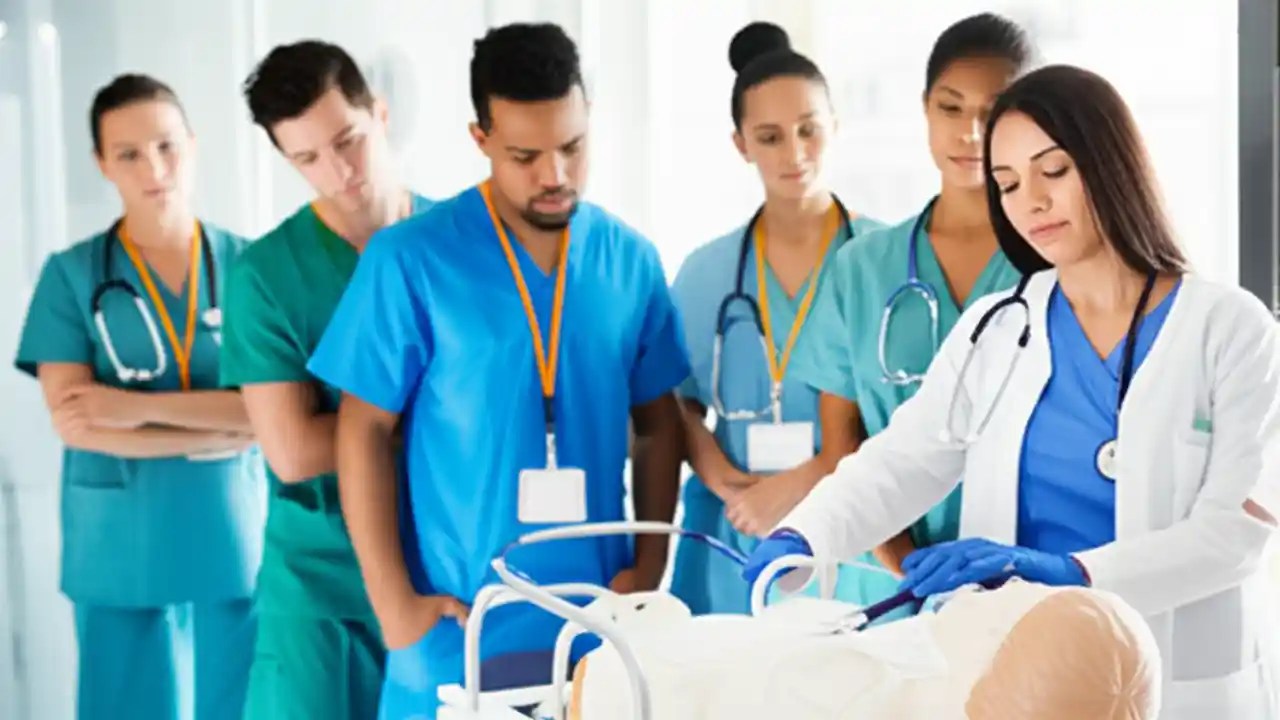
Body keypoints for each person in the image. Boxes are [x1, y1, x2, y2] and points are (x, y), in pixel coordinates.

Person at [747, 64, 1280, 718]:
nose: (1031, 201)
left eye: (1053, 171)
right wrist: (807, 534)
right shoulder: (998, 327)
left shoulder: (1230, 329)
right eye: (1007, 183)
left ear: (1112, 163)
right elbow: (904, 459)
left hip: (1179, 681)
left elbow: (1236, 533)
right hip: (1022, 671)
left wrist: (1069, 571)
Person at [306, 23, 690, 719]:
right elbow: (362, 430)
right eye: (525, 156)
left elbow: (660, 422)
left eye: (572, 146)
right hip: (455, 628)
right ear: (480, 139)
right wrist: (393, 604)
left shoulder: (629, 260)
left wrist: (649, 565)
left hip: (596, 629)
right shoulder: (411, 260)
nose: (556, 175)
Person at [13, 74, 265, 720]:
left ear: (193, 145)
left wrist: (132, 408)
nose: (154, 168)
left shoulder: (251, 268)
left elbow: (270, 412)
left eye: (166, 146)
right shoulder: (72, 276)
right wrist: (221, 428)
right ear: (102, 163)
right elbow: (77, 423)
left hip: (230, 532)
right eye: (128, 153)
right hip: (120, 545)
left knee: (241, 704)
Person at [785, 13, 1034, 608]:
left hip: (1021, 577)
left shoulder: (1052, 264)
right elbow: (843, 441)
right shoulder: (862, 267)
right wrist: (906, 568)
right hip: (889, 587)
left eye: (993, 111)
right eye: (951, 107)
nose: (971, 133)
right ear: (925, 108)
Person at [220, 40, 434, 720]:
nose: (339, 172)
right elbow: (291, 451)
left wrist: (372, 425)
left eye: (349, 141)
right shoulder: (266, 277)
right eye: (308, 158)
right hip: (323, 592)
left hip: (446, 567)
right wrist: (441, 417)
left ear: (381, 114)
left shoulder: (459, 239)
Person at [667, 22, 885, 615]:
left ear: (835, 125)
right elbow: (676, 401)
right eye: (769, 137)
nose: (794, 154)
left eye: (809, 129)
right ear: (741, 144)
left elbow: (909, 415)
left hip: (851, 533)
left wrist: (801, 482)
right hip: (733, 532)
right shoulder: (706, 272)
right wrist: (721, 477)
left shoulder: (884, 261)